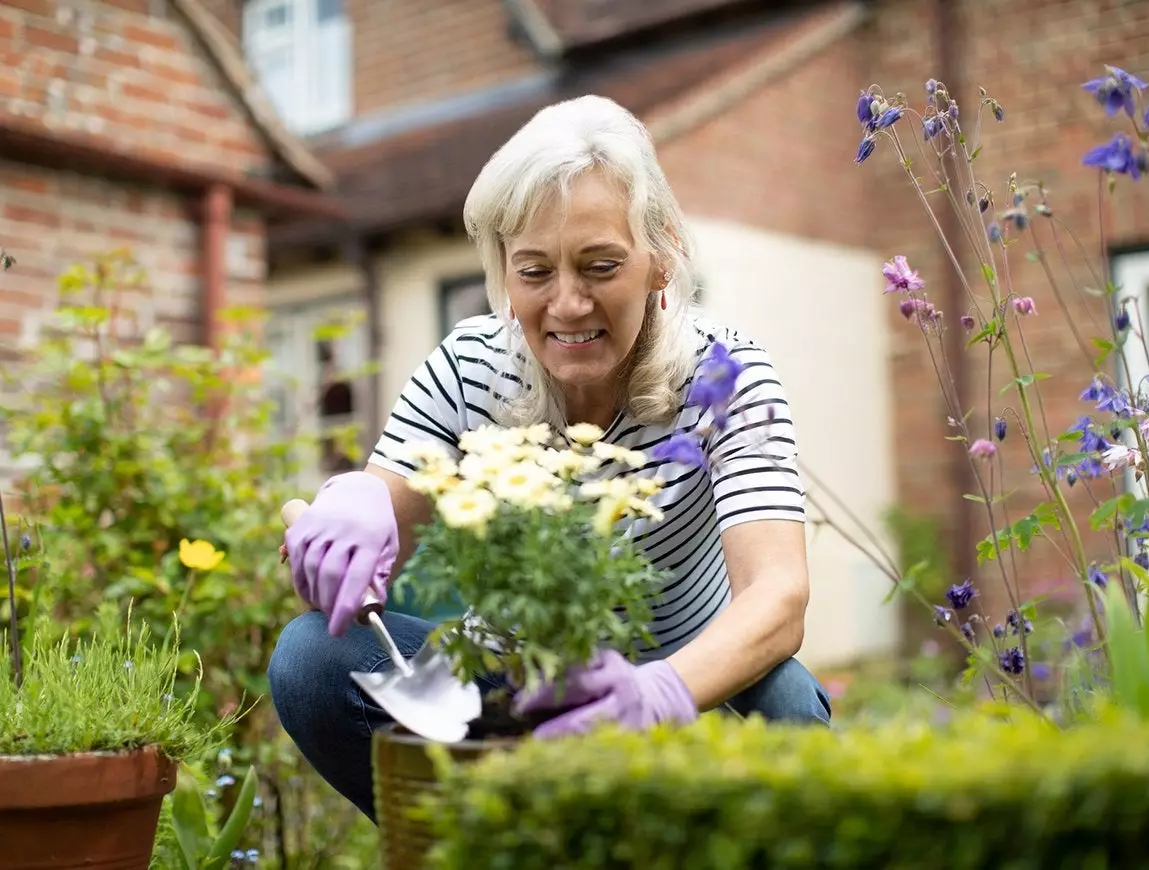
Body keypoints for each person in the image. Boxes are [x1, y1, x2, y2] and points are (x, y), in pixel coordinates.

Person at [269, 94, 831, 822]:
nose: (566, 304)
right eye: (534, 272)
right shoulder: (469, 366)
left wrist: (656, 693)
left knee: (785, 702)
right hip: (512, 691)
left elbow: (778, 596)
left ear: (660, 260)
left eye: (600, 266)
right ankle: (479, 850)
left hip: (686, 692)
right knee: (315, 659)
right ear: (503, 271)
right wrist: (352, 512)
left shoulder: (726, 376)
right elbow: (379, 543)